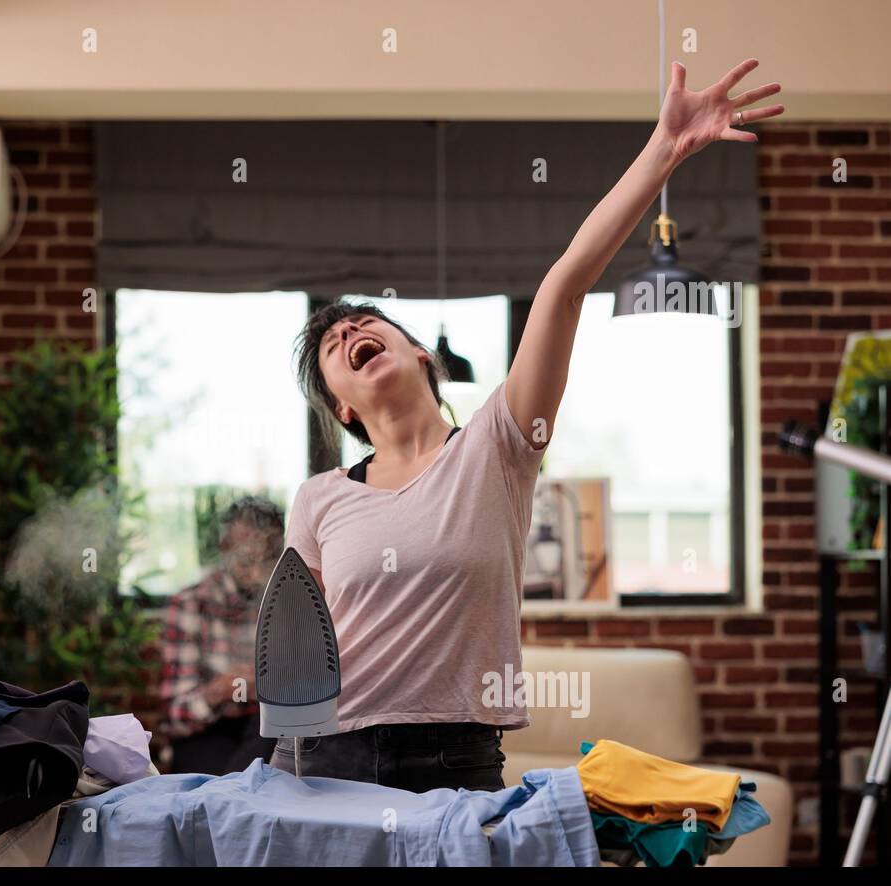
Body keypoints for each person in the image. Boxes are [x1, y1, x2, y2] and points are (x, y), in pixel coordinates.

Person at [276, 59, 783, 792]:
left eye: (366, 321)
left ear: (421, 355)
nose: (350, 328)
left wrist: (664, 151)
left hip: (453, 761)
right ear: (342, 407)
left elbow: (566, 285)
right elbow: (299, 656)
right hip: (326, 763)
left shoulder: (498, 447)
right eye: (333, 343)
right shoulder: (318, 499)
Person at [159, 495, 286, 774]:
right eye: (245, 560)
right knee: (248, 777)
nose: (255, 573)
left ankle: (230, 798)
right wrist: (221, 689)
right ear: (224, 546)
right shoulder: (192, 604)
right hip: (207, 730)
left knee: (272, 739)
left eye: (265, 559)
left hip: (264, 729)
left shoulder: (286, 601)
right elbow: (174, 719)